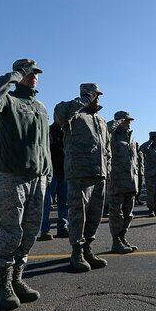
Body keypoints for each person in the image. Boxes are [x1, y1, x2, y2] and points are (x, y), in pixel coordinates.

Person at [0, 60, 51, 310]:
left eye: (36, 73)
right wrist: (14, 76)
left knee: (30, 232)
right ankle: (4, 285)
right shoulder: (7, 101)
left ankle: (18, 279)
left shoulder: (41, 107)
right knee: (12, 232)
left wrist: (48, 172)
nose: (34, 77)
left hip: (38, 178)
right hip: (11, 177)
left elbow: (44, 144)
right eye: (28, 73)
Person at [55, 83, 112, 272]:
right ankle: (76, 252)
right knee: (78, 214)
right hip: (79, 173)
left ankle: (88, 249)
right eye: (94, 95)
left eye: (98, 95)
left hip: (99, 173)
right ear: (85, 95)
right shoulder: (73, 114)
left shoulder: (102, 120)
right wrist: (84, 100)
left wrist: (107, 169)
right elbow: (60, 115)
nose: (98, 98)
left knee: (95, 215)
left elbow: (107, 148)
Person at [106, 111, 141, 253]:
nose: (129, 123)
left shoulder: (131, 138)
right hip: (117, 180)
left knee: (128, 214)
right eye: (126, 120)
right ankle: (116, 242)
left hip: (131, 181)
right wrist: (116, 122)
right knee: (116, 214)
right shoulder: (111, 136)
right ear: (119, 121)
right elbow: (106, 129)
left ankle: (122, 237)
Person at [37, 120, 69, 241]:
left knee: (64, 202)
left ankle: (62, 228)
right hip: (51, 173)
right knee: (47, 203)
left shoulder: (67, 131)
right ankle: (44, 231)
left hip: (65, 171)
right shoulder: (48, 131)